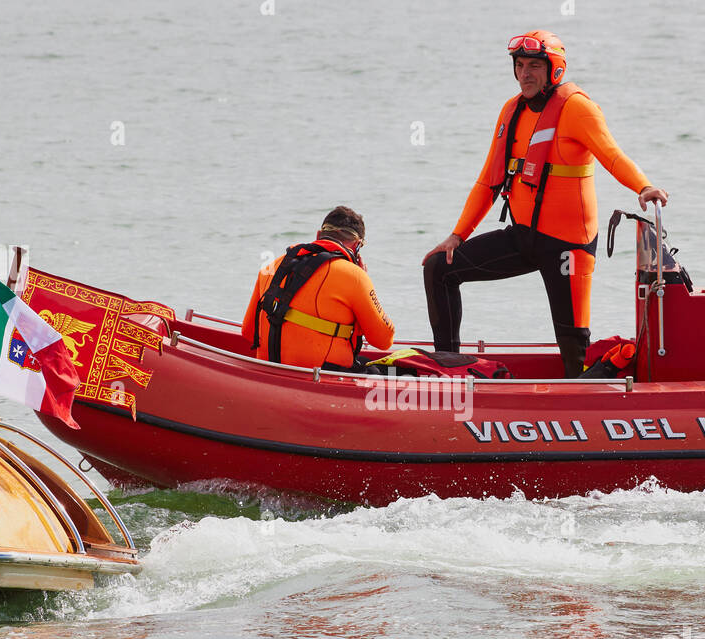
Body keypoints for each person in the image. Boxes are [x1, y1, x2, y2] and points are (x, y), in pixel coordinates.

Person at [422, 30, 669, 378]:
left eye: (534, 66)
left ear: (554, 70)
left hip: (568, 248)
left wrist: (643, 187)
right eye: (520, 65)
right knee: (439, 268)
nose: (525, 73)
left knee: (572, 350)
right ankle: (448, 372)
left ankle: (584, 402)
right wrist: (457, 235)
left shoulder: (576, 108)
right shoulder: (512, 111)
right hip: (523, 237)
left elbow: (612, 155)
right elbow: (488, 182)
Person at [242, 206, 395, 372]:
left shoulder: (272, 266)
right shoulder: (356, 276)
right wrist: (364, 282)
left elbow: (248, 332)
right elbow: (384, 340)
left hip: (269, 369)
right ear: (357, 246)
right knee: (382, 370)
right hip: (320, 377)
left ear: (318, 235)